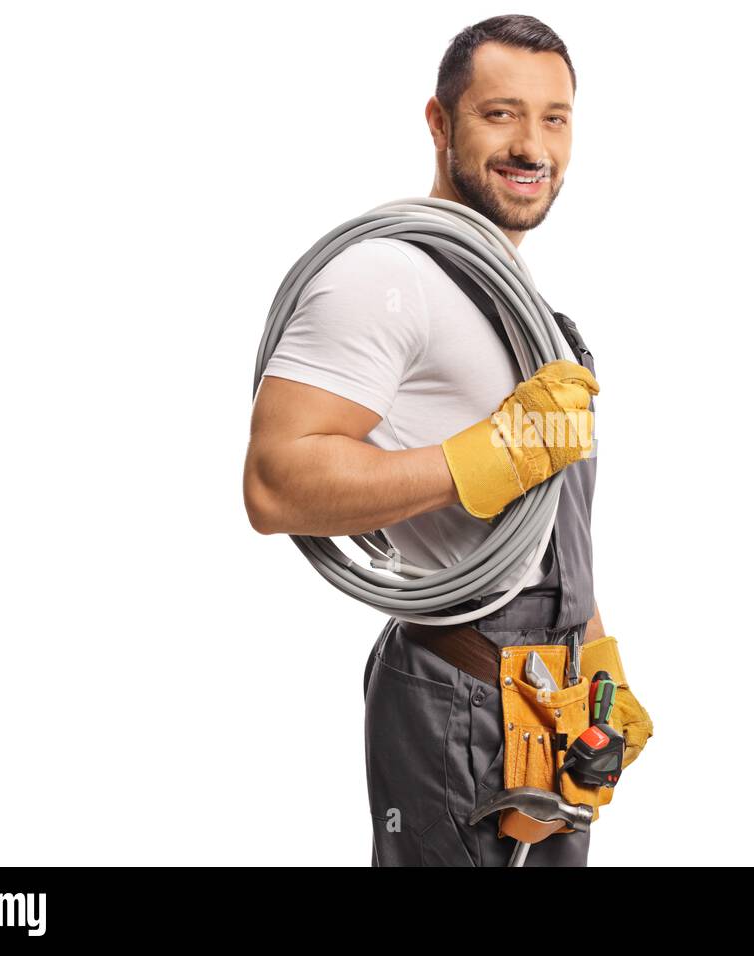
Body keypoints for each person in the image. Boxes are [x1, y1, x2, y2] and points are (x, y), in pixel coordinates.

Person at [243, 14, 651, 867]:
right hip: (456, 697)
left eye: (554, 118)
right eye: (500, 114)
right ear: (440, 123)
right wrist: (481, 461)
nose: (531, 145)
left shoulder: (529, 311)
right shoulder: (383, 275)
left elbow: (546, 528)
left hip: (551, 707)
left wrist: (597, 667)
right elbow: (277, 483)